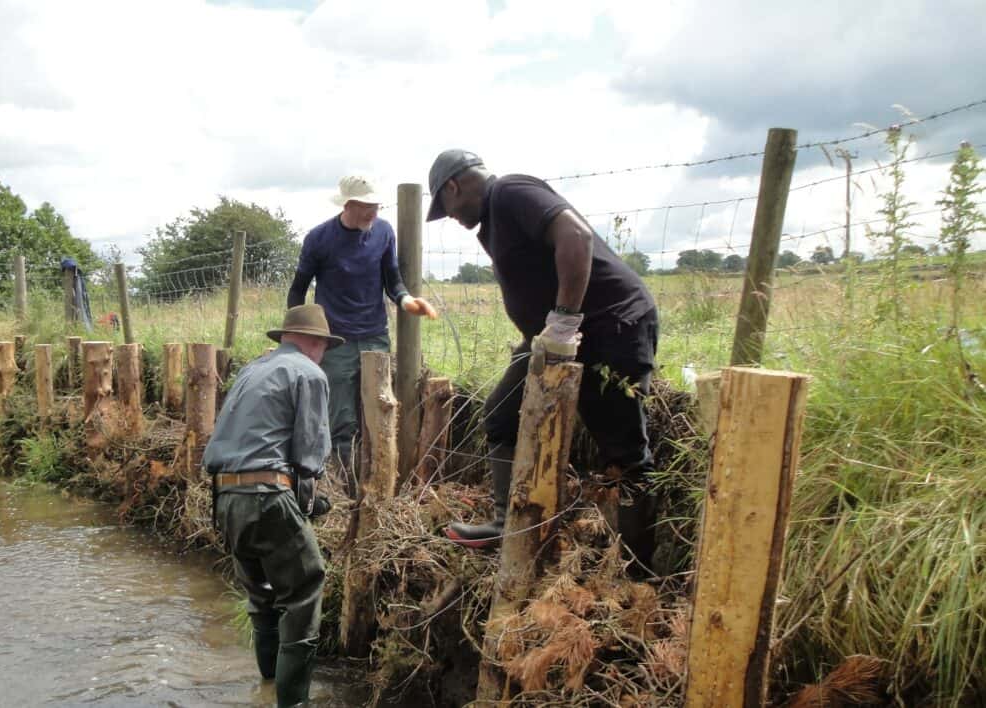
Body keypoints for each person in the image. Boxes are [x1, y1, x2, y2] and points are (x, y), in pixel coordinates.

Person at [426, 149, 660, 571]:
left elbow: (577, 236)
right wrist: (541, 335)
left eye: (445, 208)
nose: (453, 218)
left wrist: (565, 318)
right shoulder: (494, 220)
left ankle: (636, 574)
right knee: (499, 415)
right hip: (553, 339)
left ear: (452, 187)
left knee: (624, 453)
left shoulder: (511, 191)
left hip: (609, 329)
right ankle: (505, 523)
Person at [202, 304, 342, 707]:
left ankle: (265, 690)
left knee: (262, 595)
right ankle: (293, 702)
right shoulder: (310, 373)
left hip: (225, 497)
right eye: (325, 346)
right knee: (305, 587)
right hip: (266, 497)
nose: (323, 354)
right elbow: (310, 453)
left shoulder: (251, 370)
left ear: (284, 338)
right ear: (317, 343)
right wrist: (310, 500)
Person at [287, 175, 437, 491]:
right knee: (342, 420)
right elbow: (298, 289)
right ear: (349, 205)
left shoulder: (383, 232)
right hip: (336, 340)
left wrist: (407, 301)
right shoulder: (319, 239)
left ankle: (380, 481)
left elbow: (392, 279)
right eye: (367, 206)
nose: (374, 212)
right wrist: (295, 337)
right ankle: (346, 488)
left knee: (378, 411)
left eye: (376, 205)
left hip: (375, 336)